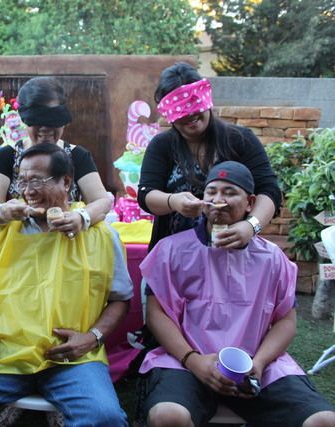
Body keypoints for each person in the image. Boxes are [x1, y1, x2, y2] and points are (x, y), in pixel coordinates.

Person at [0, 143, 133, 426]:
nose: (28, 190)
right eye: (22, 181)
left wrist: (93, 337)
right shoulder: (3, 230)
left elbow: (121, 299)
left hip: (71, 358)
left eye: (37, 180)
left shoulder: (100, 234)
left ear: (67, 182)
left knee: (104, 417)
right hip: (6, 353)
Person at [138, 161, 335, 427]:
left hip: (255, 364)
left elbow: (286, 321)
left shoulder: (271, 258)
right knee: (168, 416)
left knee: (323, 421)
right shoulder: (172, 250)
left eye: (230, 192)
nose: (218, 199)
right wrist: (193, 361)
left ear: (250, 202)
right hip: (185, 362)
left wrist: (260, 363)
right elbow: (156, 314)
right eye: (212, 192)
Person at [138, 62, 281, 251]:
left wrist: (250, 227)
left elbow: (269, 191)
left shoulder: (240, 140)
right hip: (176, 259)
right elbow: (146, 194)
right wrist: (173, 201)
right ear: (169, 114)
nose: (190, 120)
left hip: (233, 255)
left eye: (195, 111)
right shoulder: (162, 145)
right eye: (182, 115)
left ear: (206, 100)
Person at [0, 76, 111, 238]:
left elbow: (102, 200)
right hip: (19, 247)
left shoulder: (78, 156)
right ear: (24, 120)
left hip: (67, 244)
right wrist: (2, 211)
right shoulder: (6, 156)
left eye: (52, 120)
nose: (45, 128)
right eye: (37, 121)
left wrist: (82, 217)